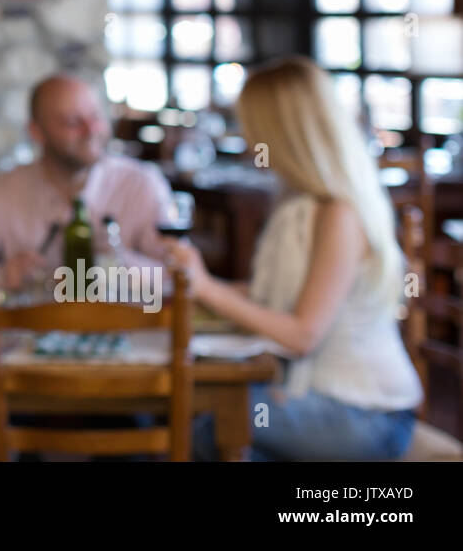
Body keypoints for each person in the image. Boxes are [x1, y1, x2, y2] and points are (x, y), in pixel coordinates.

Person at [167, 57, 422, 461]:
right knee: (220, 426)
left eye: (251, 126)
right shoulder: (302, 203)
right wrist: (190, 287)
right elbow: (279, 295)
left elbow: (303, 335)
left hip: (364, 415)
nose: (247, 139)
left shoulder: (339, 214)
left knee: (213, 421)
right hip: (314, 398)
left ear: (280, 132)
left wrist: (209, 288)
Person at [0, 73, 173, 291]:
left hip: (133, 338)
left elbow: (183, 278)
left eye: (96, 116)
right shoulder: (0, 193)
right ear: (36, 132)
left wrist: (121, 266)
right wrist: (1, 277)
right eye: (73, 122)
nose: (90, 130)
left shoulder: (142, 184)